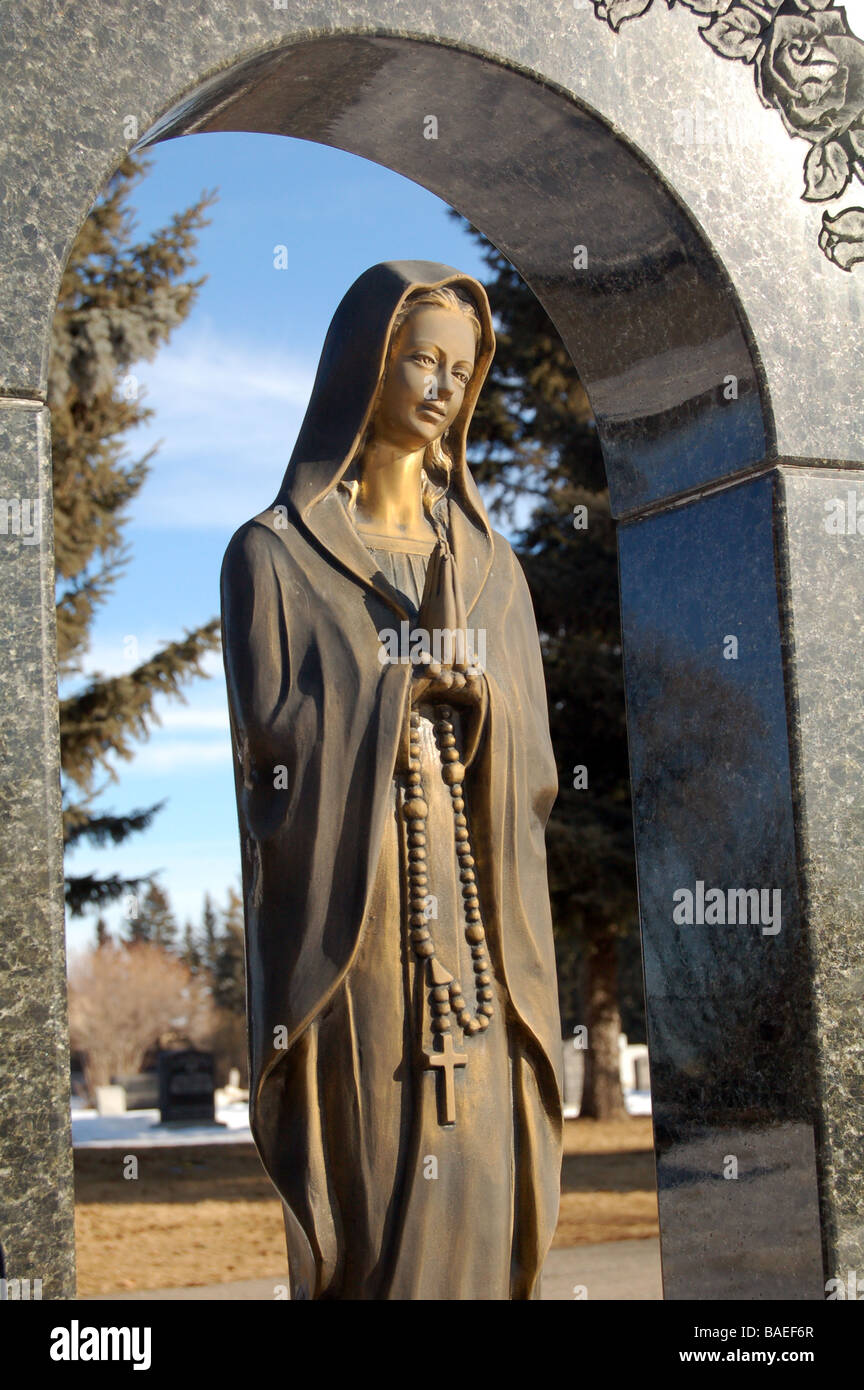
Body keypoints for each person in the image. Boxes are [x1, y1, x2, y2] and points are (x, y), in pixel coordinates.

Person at [221, 261, 563, 1300]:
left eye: (463, 370)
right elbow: (266, 758)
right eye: (423, 358)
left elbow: (540, 769)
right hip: (359, 925)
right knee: (378, 1187)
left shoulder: (493, 567)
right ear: (367, 363)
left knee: (479, 1174)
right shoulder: (274, 557)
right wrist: (390, 695)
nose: (445, 386)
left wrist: (480, 705)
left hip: (480, 923)